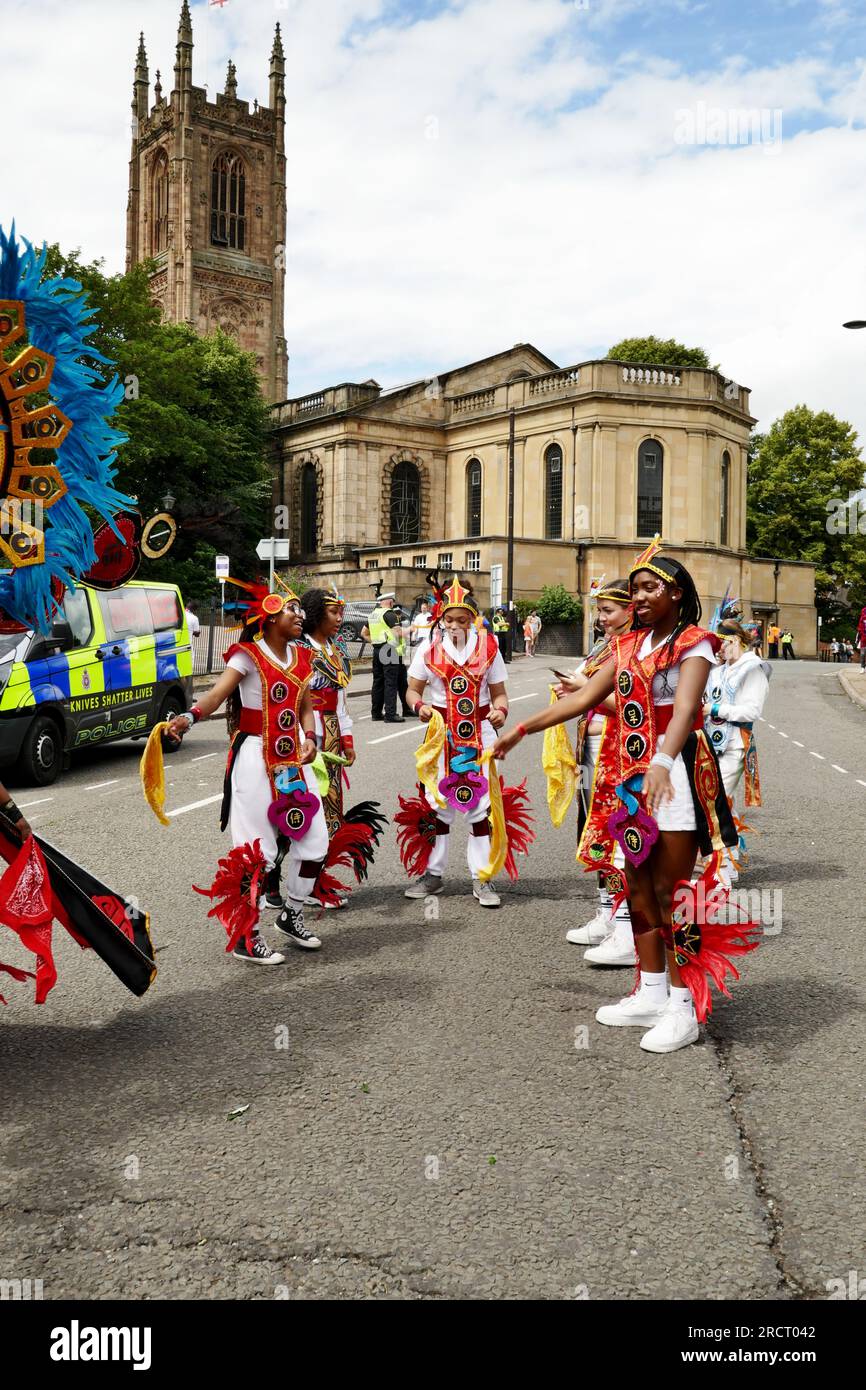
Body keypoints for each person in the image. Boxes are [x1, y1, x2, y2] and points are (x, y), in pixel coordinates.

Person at [493, 540, 753, 1055]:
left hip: (672, 773)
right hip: (631, 781)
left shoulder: (694, 644)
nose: (639, 596)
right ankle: (651, 990)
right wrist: (522, 728)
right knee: (635, 888)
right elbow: (586, 697)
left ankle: (684, 1008)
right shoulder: (628, 644)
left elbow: (683, 710)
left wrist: (661, 762)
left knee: (668, 892)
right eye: (634, 588)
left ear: (676, 594)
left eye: (650, 587)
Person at [164, 578, 330, 964]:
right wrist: (189, 716)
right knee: (257, 852)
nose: (300, 617)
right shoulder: (248, 656)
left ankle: (290, 914)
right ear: (269, 617)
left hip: (293, 763)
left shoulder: (303, 659)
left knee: (315, 841)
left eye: (301, 612)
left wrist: (310, 736)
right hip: (255, 758)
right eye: (292, 610)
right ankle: (246, 935)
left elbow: (305, 704)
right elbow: (218, 694)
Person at [397, 577, 533, 908]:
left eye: (461, 619)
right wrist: (420, 706)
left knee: (479, 808)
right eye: (449, 619)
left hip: (480, 736)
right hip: (441, 738)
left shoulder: (489, 649)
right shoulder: (428, 652)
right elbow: (412, 690)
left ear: (472, 620)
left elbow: (500, 694)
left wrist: (501, 711)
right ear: (440, 620)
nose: (455, 625)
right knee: (439, 808)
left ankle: (482, 877)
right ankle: (433, 874)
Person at [551, 578, 635, 966]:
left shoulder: (635, 649)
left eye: (608, 611)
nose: (600, 618)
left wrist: (588, 689)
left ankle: (625, 925)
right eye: (598, 611)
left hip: (618, 752)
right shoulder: (606, 646)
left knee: (618, 835)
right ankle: (606, 913)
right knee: (593, 831)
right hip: (593, 748)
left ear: (630, 611)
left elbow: (639, 711)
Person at [296, 586, 387, 910]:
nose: (340, 618)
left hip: (332, 733)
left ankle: (314, 882)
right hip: (305, 737)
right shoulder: (298, 650)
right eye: (333, 612)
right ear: (316, 615)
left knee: (331, 810)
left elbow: (341, 702)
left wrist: (347, 740)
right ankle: (298, 886)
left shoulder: (336, 649)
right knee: (308, 809)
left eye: (339, 612)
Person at [703, 619, 771, 881]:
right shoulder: (720, 669)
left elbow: (752, 711)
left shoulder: (753, 668)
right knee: (717, 802)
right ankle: (729, 861)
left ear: (733, 641)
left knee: (717, 803)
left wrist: (716, 710)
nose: (717, 650)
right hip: (711, 743)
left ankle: (722, 869)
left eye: (720, 644)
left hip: (734, 744)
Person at [362, 591, 395, 721]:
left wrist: (374, 641)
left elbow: (363, 633)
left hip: (377, 649)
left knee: (377, 682)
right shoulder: (389, 614)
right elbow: (398, 633)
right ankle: (390, 714)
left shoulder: (373, 615)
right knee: (390, 682)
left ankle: (376, 713)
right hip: (389, 649)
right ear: (390, 602)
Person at [859, 605, 866, 670]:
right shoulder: (862, 618)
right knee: (862, 654)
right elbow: (860, 627)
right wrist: (861, 632)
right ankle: (862, 667)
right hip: (863, 638)